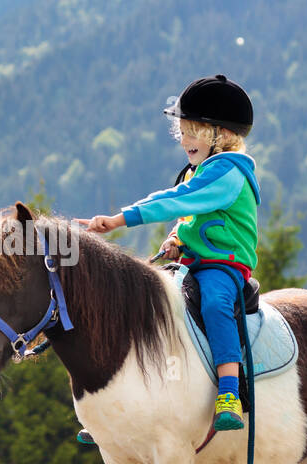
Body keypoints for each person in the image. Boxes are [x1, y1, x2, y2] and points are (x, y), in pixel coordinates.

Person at [77, 74, 261, 441]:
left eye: (193, 131)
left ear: (220, 135)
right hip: (191, 262)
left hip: (222, 266)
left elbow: (176, 201)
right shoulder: (203, 171)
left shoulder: (228, 172)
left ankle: (228, 391)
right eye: (182, 132)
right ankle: (116, 408)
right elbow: (189, 214)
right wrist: (177, 237)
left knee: (214, 303)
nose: (185, 141)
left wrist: (119, 219)